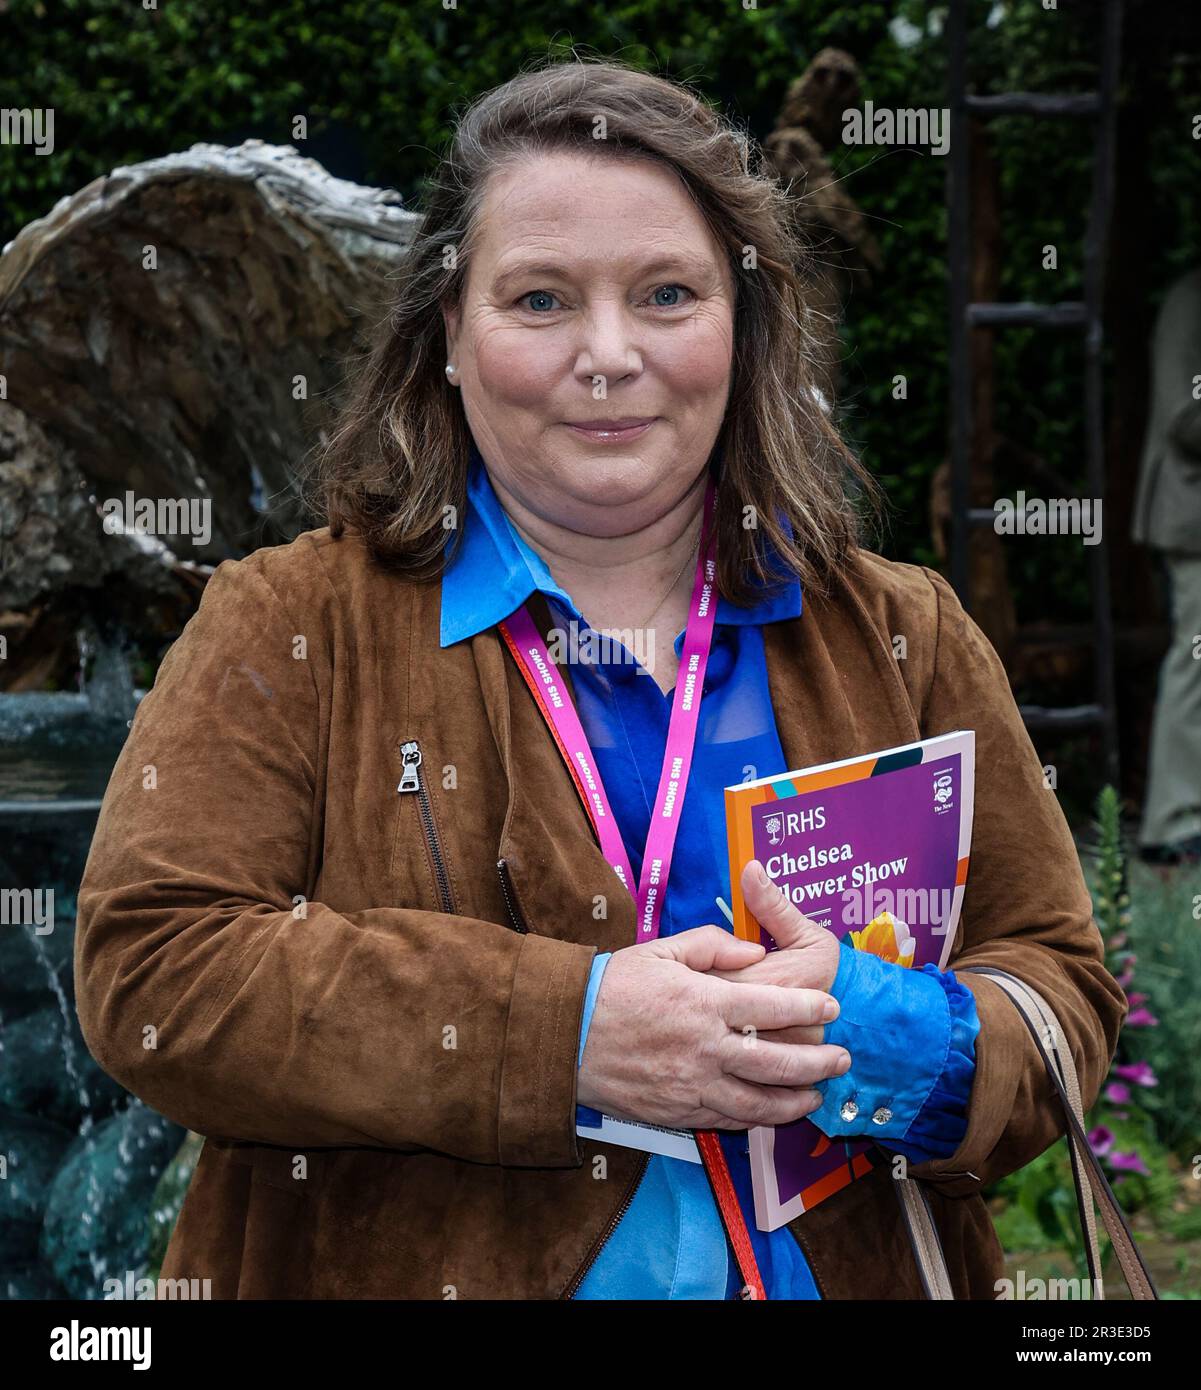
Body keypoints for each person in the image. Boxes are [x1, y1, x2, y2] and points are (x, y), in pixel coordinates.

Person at [74, 57, 1125, 1300]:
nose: (610, 355)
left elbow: (1059, 990)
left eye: (668, 293)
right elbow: (155, 969)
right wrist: (564, 1033)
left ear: (744, 328)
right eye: (539, 300)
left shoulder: (901, 631)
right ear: (449, 341)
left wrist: (891, 1033)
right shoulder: (291, 625)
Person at [1132, 266, 1201, 866]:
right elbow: (1186, 416)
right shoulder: (1188, 299)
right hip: (1190, 512)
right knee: (1194, 656)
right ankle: (1171, 820)